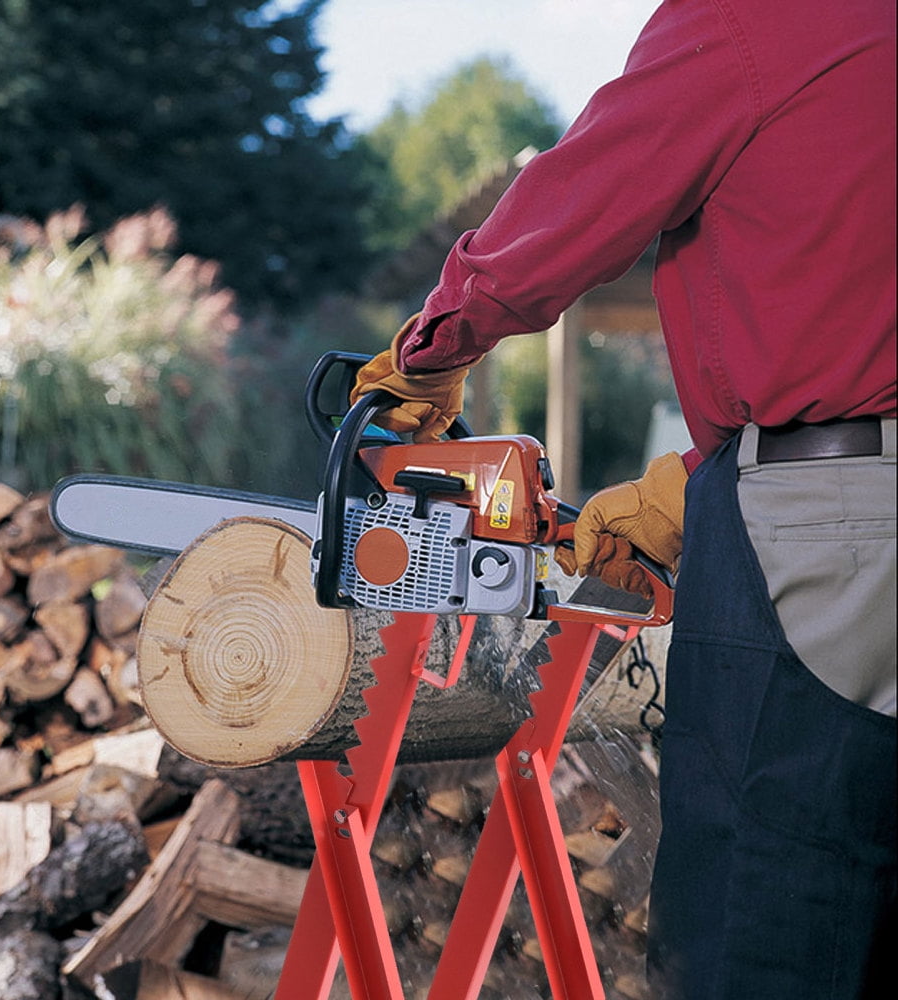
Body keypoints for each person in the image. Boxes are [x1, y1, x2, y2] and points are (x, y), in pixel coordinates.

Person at [351, 1, 896, 996]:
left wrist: (431, 348)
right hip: (836, 494)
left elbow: (584, 194)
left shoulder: (751, 16)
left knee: (755, 921)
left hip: (829, 529)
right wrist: (700, 484)